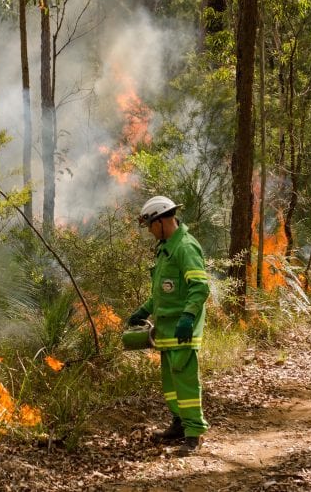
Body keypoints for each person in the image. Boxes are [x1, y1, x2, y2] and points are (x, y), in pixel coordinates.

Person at [127, 195, 210, 456]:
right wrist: (144, 310)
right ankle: (179, 424)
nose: (150, 231)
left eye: (151, 225)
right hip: (165, 332)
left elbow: (200, 287)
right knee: (171, 386)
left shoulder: (185, 247)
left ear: (162, 220)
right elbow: (162, 292)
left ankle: (194, 434)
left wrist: (187, 317)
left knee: (185, 384)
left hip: (183, 331)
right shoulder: (165, 249)